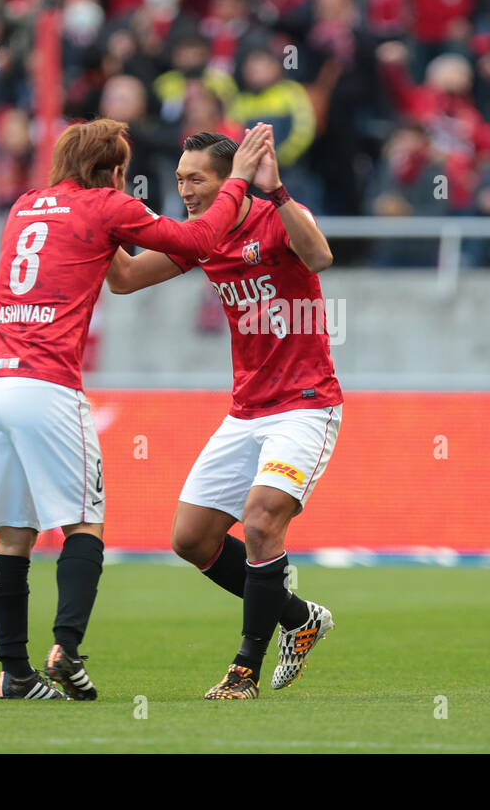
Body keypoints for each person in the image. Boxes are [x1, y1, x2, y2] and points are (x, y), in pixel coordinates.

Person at [0, 119, 273, 700]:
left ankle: (14, 673)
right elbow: (197, 240)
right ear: (112, 171)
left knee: (12, 532)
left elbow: (123, 274)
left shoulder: (26, 206)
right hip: (47, 383)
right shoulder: (108, 204)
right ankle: (68, 649)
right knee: (84, 524)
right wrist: (235, 184)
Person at [105, 132, 342, 700]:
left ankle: (244, 671)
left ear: (229, 177)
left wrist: (279, 191)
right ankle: (298, 617)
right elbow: (125, 279)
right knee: (191, 538)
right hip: (245, 411)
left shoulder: (275, 215)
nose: (184, 190)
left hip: (305, 405)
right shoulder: (202, 239)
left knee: (261, 521)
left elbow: (320, 258)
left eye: (197, 179)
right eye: (181, 179)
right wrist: (99, 210)